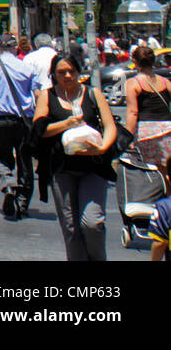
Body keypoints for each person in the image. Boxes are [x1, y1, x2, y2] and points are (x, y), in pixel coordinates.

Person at [32, 52, 117, 261]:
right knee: (71, 228)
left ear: (79, 71)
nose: (68, 76)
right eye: (62, 72)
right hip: (62, 170)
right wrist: (66, 123)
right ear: (54, 74)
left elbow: (109, 126)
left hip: (93, 167)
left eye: (72, 71)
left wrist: (103, 147)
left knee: (92, 223)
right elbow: (38, 130)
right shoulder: (47, 96)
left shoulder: (92, 93)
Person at [0, 33, 40, 220]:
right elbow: (36, 95)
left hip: (0, 120)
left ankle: (8, 182)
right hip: (23, 121)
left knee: (1, 156)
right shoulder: (27, 68)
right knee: (24, 161)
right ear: (15, 48)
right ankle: (22, 203)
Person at [125, 45, 171, 170]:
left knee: (150, 171)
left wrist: (127, 136)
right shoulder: (165, 82)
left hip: (146, 132)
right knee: (166, 170)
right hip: (167, 130)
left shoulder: (133, 83)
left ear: (134, 61)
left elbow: (132, 112)